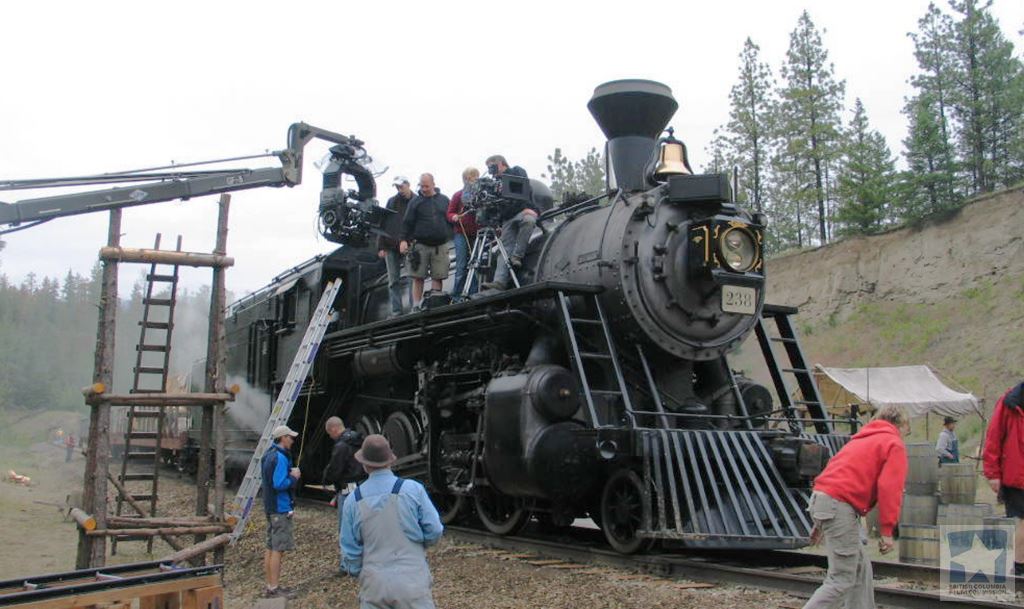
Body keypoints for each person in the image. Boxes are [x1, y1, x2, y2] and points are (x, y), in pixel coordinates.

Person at [802, 405, 909, 609]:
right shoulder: (893, 443)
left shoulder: (862, 438)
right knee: (841, 579)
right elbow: (890, 488)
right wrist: (887, 531)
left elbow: (834, 474)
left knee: (860, 568)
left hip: (825, 500)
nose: (905, 434)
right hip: (838, 506)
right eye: (907, 429)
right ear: (902, 424)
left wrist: (820, 522)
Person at [341, 434, 444, 609]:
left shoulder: (353, 500)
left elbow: (350, 552)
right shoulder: (413, 490)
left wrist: (361, 572)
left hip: (373, 583)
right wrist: (418, 546)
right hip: (412, 578)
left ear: (364, 465)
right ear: (390, 461)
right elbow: (434, 530)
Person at [983, 381, 1024, 576]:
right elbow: (994, 437)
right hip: (1016, 474)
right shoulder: (1009, 402)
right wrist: (992, 473)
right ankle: (1018, 565)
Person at [480, 155, 535, 291]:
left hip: (523, 210)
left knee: (528, 220)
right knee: (504, 247)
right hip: (507, 218)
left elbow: (524, 189)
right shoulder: (492, 184)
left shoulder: (516, 171)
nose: (490, 169)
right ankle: (499, 282)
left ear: (500, 163)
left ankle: (517, 256)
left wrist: (530, 207)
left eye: (492, 165)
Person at [399, 174, 452, 308]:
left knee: (438, 275)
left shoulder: (444, 200)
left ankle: (436, 303)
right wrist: (403, 240)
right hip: (421, 244)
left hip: (440, 244)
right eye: (422, 186)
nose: (424, 189)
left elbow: (450, 219)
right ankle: (416, 305)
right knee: (418, 277)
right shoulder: (415, 202)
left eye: (427, 186)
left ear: (433, 184)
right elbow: (407, 223)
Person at [261, 425, 301, 598]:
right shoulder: (280, 457)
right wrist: (294, 477)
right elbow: (279, 484)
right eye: (290, 437)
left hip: (270, 507)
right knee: (278, 549)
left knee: (270, 547)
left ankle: (270, 586)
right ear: (283, 438)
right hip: (280, 508)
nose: (292, 440)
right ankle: (275, 588)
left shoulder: (268, 454)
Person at [324, 416, 366, 574]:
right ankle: (364, 562)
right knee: (362, 527)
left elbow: (335, 470)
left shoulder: (341, 446)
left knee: (345, 530)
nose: (331, 437)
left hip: (347, 491)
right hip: (362, 488)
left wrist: (327, 479)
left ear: (334, 429)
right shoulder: (360, 440)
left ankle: (347, 565)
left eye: (329, 434)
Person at [378, 176, 415, 317]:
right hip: (391, 244)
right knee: (393, 280)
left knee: (412, 276)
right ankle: (396, 310)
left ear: (408, 184)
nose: (400, 190)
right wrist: (381, 247)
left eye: (401, 187)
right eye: (397, 187)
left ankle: (414, 307)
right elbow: (383, 224)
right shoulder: (391, 201)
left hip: (408, 243)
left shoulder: (416, 201)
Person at [447, 167, 481, 296]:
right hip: (461, 233)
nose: (474, 179)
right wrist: (454, 217)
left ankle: (473, 291)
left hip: (476, 233)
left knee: (476, 262)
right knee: (461, 264)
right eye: (471, 177)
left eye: (475, 176)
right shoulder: (458, 195)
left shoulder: (480, 195)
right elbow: (449, 212)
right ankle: (457, 294)